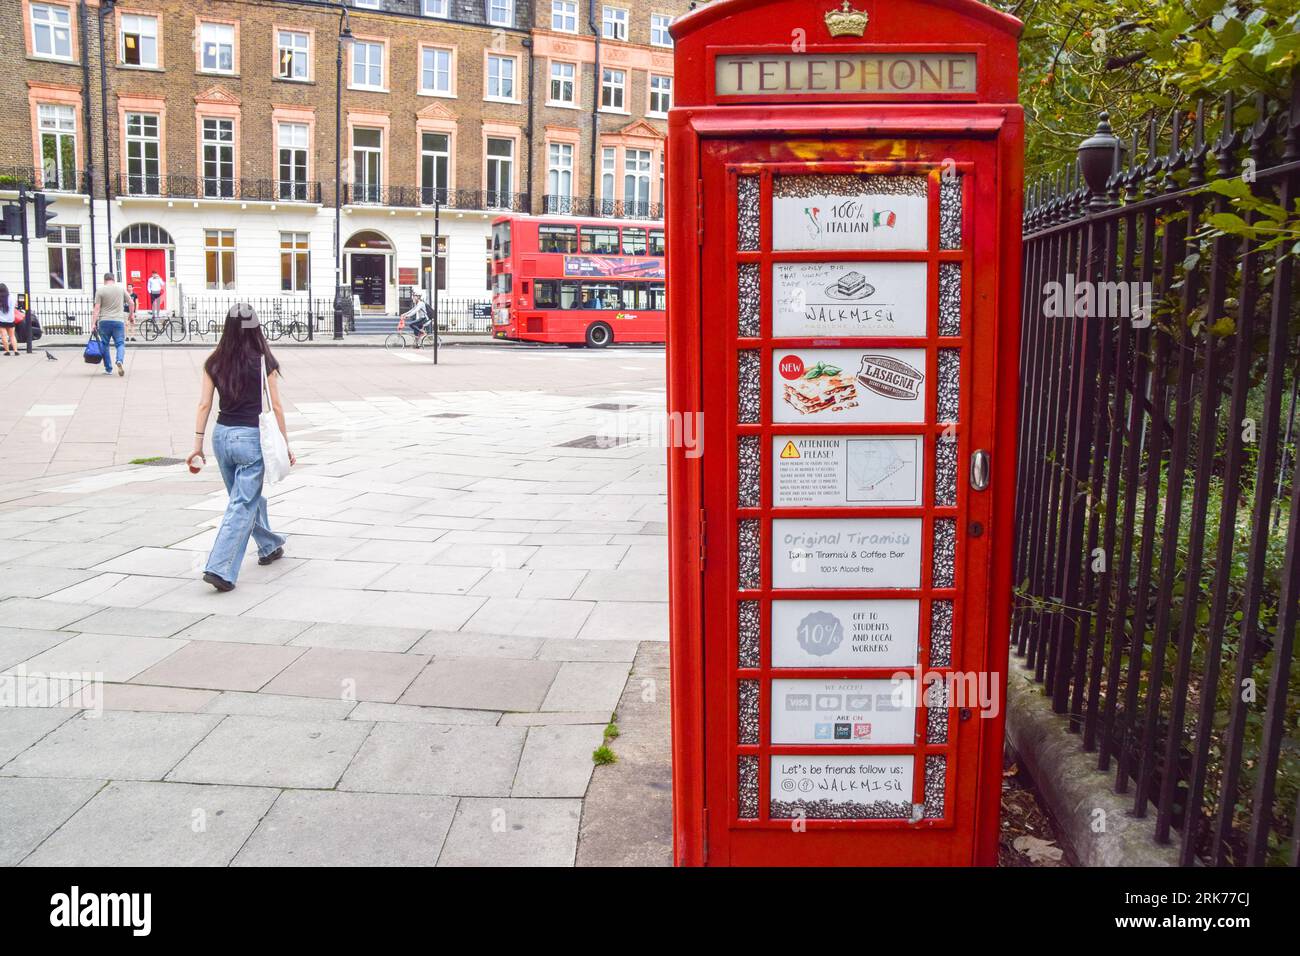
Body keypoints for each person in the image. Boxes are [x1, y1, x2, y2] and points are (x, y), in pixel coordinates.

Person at [186, 303, 295, 592]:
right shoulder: (262, 361)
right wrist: (284, 443)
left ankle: (269, 546)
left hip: (221, 437)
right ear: (256, 328)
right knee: (242, 503)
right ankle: (219, 568)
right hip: (249, 438)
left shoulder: (214, 360)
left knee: (244, 498)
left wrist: (197, 447)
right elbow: (278, 407)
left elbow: (204, 405)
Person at [91, 272, 133, 376]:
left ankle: (108, 369)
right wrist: (131, 315)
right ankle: (119, 360)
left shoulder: (100, 291)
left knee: (104, 345)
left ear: (104, 280)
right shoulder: (120, 289)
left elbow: (96, 309)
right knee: (120, 343)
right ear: (113, 279)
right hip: (118, 321)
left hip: (104, 321)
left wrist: (93, 323)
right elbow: (131, 303)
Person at [0, 285, 18, 356]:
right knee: (12, 336)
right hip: (11, 319)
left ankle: (7, 351)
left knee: (4, 336)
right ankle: (16, 351)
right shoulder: (12, 297)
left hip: (1, 320)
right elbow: (15, 305)